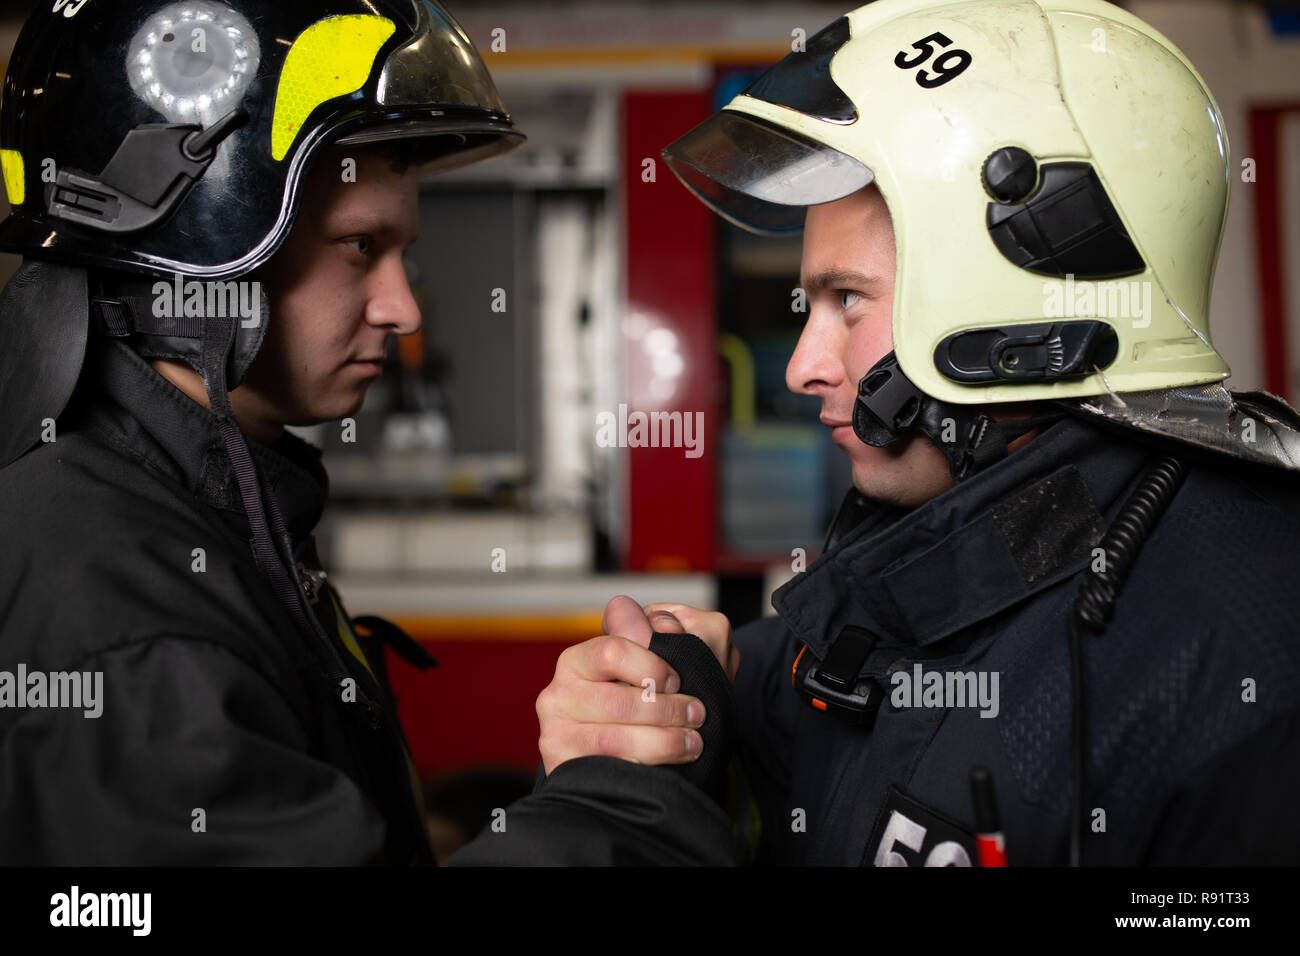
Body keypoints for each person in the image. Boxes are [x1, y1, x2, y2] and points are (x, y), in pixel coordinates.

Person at [531, 0, 1300, 865]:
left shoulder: (1248, 660)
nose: (803, 366)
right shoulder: (922, 563)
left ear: (1017, 306)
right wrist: (682, 699)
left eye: (846, 300)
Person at [0, 0, 531, 864]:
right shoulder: (124, 618)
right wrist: (618, 803)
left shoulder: (173, 499)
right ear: (200, 252)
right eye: (362, 247)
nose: (402, 309)